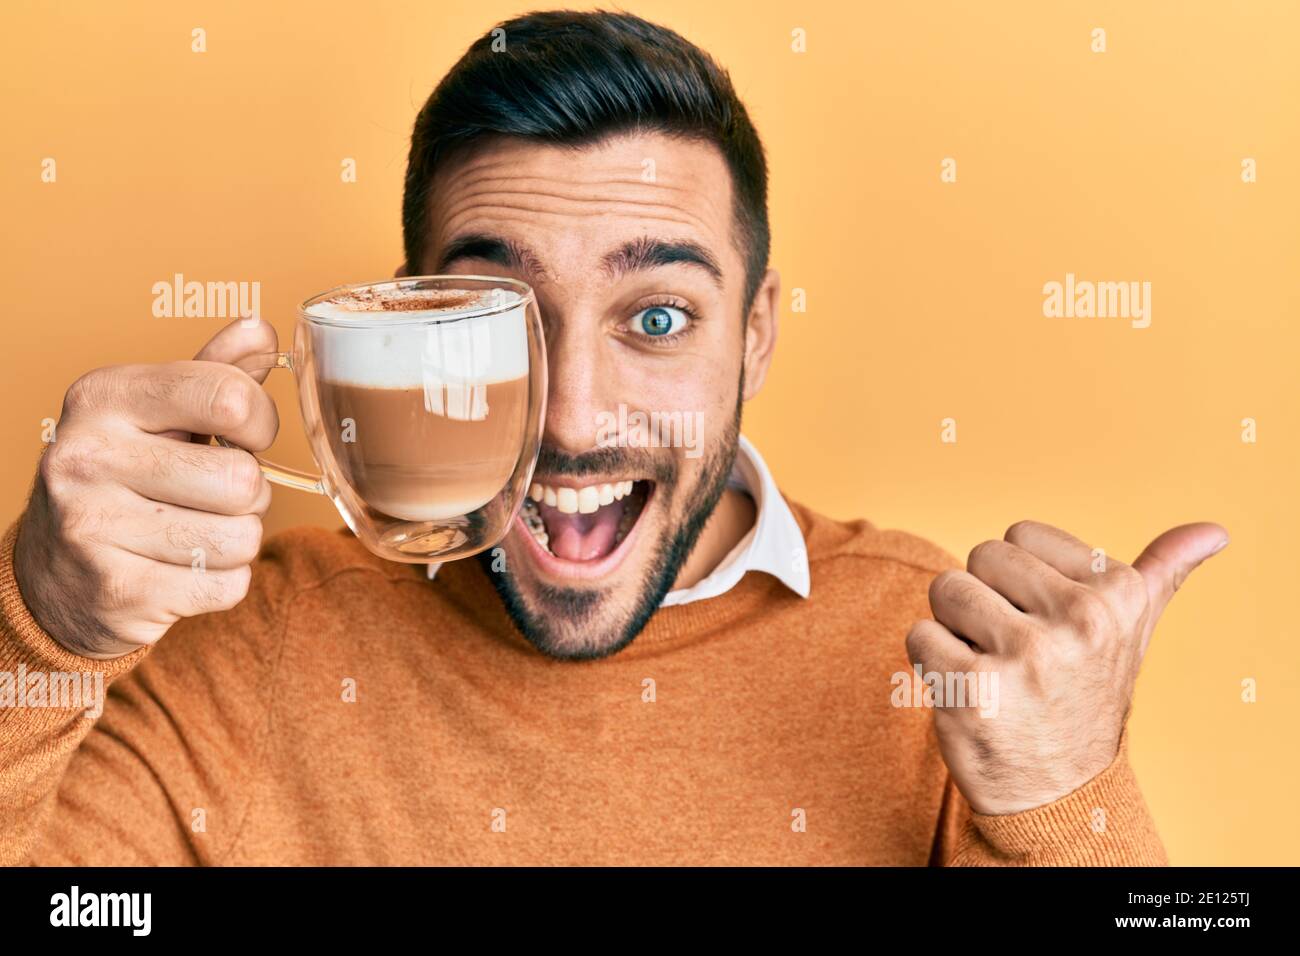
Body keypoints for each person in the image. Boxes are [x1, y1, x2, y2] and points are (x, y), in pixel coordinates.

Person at [0, 9, 1224, 865]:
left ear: (753, 334)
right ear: (412, 325)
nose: (574, 420)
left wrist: (1067, 795)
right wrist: (33, 619)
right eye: (503, 312)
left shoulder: (949, 663)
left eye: (655, 315)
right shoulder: (251, 656)